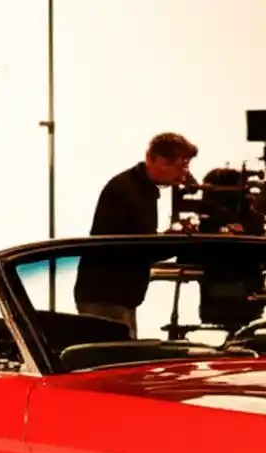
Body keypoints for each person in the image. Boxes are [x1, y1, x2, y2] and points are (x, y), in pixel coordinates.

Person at [73, 132, 198, 337]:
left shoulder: (139, 188)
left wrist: (171, 238)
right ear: (158, 160)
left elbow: (140, 242)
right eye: (181, 166)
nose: (184, 173)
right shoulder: (125, 190)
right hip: (106, 297)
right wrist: (178, 240)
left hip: (119, 296)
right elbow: (135, 247)